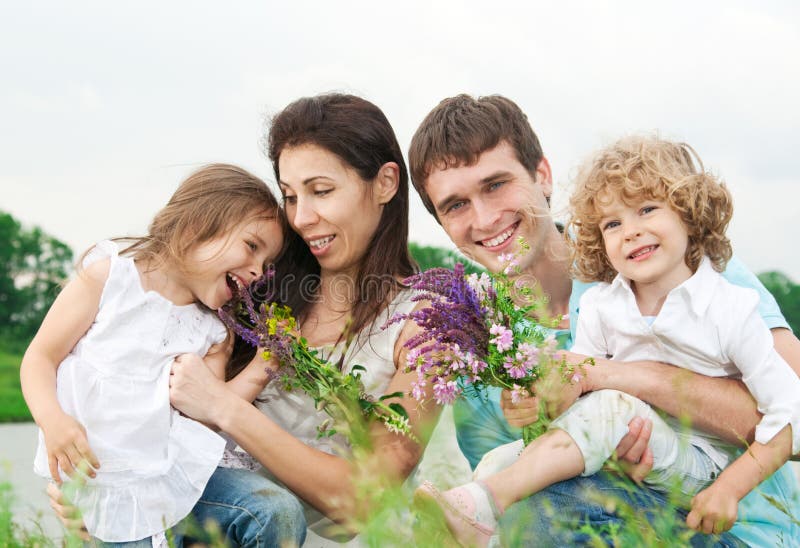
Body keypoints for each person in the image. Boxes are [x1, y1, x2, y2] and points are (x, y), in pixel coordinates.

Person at [407, 94, 800, 546]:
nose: (485, 217)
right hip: (599, 522)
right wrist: (544, 407)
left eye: (496, 184)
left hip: (735, 529)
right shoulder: (480, 352)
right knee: (505, 483)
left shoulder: (671, 255)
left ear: (542, 176)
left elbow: (794, 415)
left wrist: (629, 378)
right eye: (455, 205)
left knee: (542, 513)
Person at [164, 93, 441, 546]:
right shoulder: (256, 287)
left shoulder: (428, 324)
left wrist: (224, 406)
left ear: (385, 182)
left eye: (322, 191)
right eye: (291, 196)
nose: (302, 218)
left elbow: (366, 496)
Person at [20, 164, 285, 546]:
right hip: (103, 483)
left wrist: (262, 367)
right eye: (251, 246)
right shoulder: (109, 277)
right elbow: (40, 358)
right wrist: (52, 421)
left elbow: (206, 416)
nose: (258, 272)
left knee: (275, 510)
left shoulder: (212, 330)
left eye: (266, 264)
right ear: (198, 224)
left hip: (169, 478)